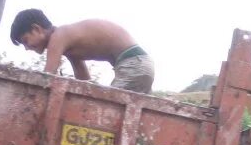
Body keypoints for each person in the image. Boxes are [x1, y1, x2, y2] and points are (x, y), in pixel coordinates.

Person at [10, 9, 154, 94]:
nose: (27, 48)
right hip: (139, 64)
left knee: (108, 113)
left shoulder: (58, 36)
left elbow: (46, 78)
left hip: (133, 65)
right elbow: (84, 81)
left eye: (25, 41)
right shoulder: (68, 43)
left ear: (37, 29)